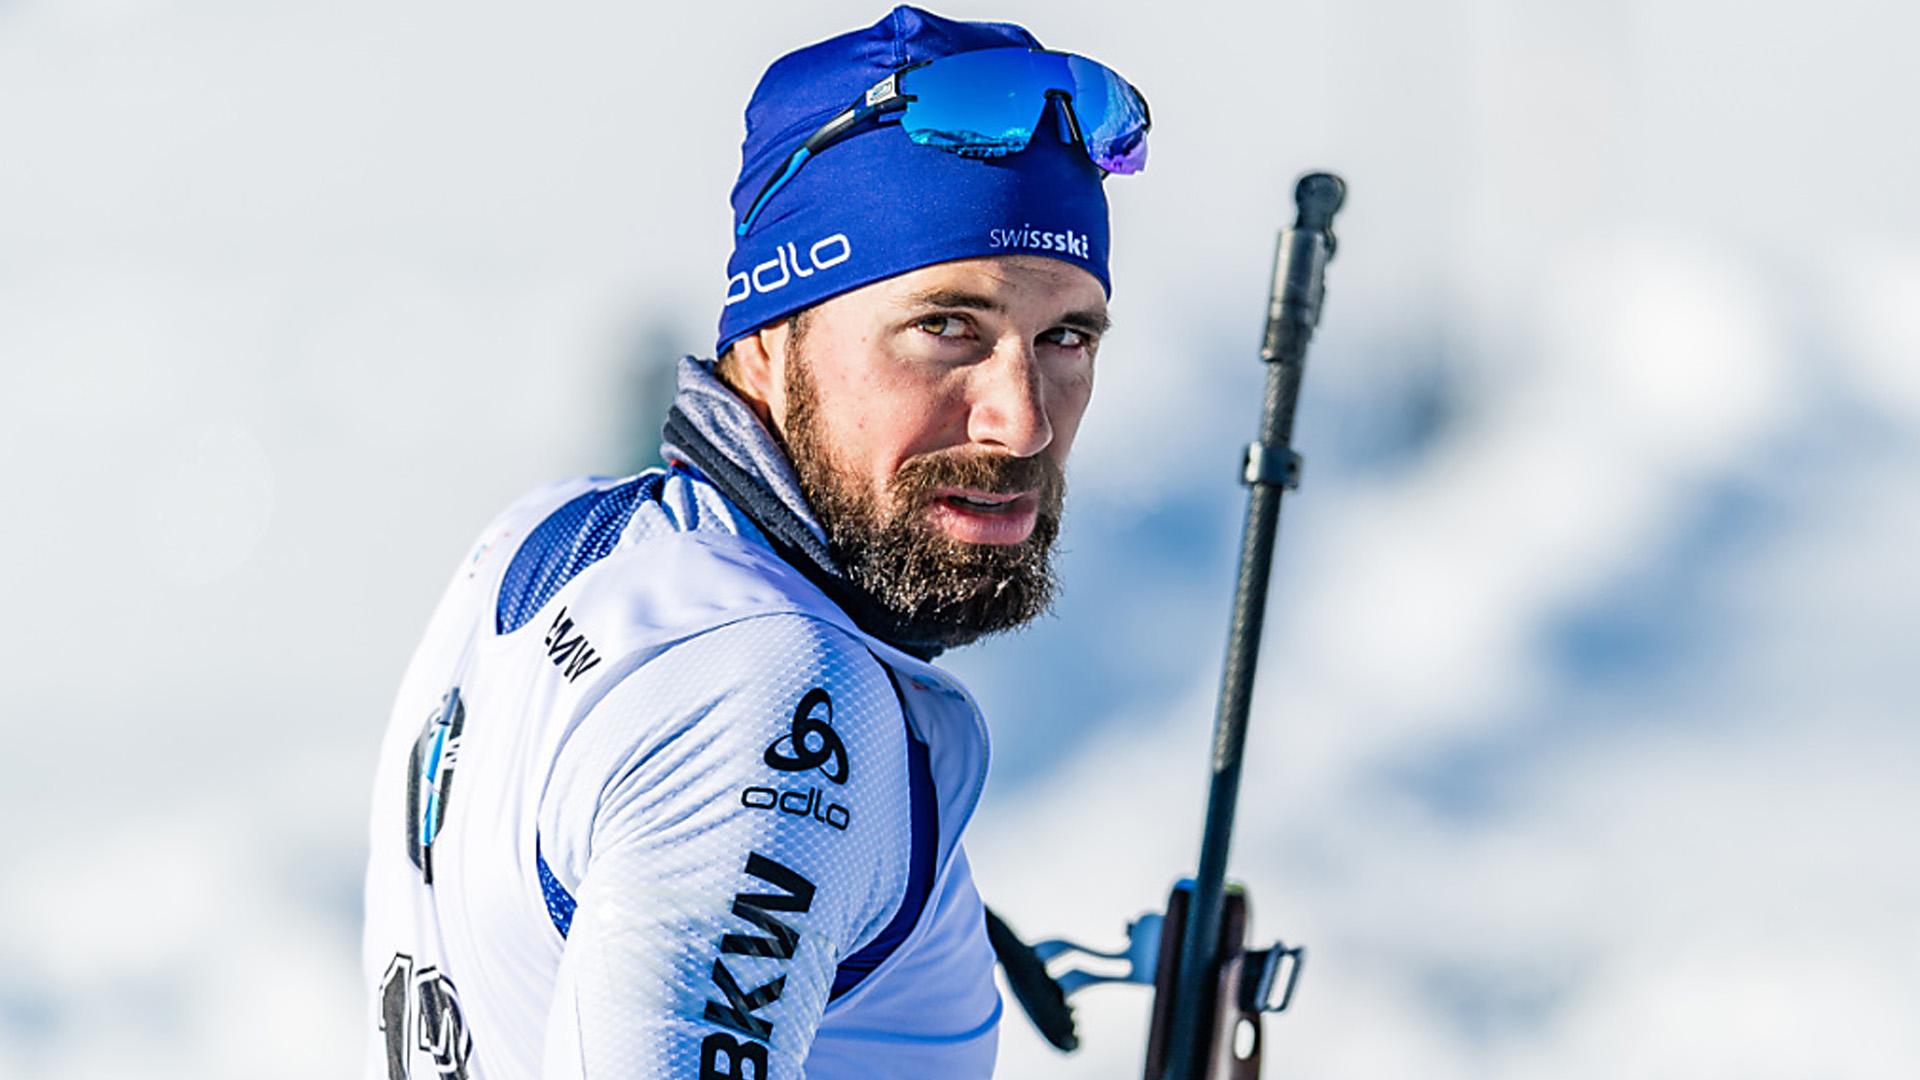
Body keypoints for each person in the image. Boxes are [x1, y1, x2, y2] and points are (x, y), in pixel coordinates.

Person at [360, 6, 1149, 1077]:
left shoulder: (554, 545)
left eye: (1065, 337)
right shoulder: (775, 693)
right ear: (771, 337)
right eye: (946, 328)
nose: (1025, 419)